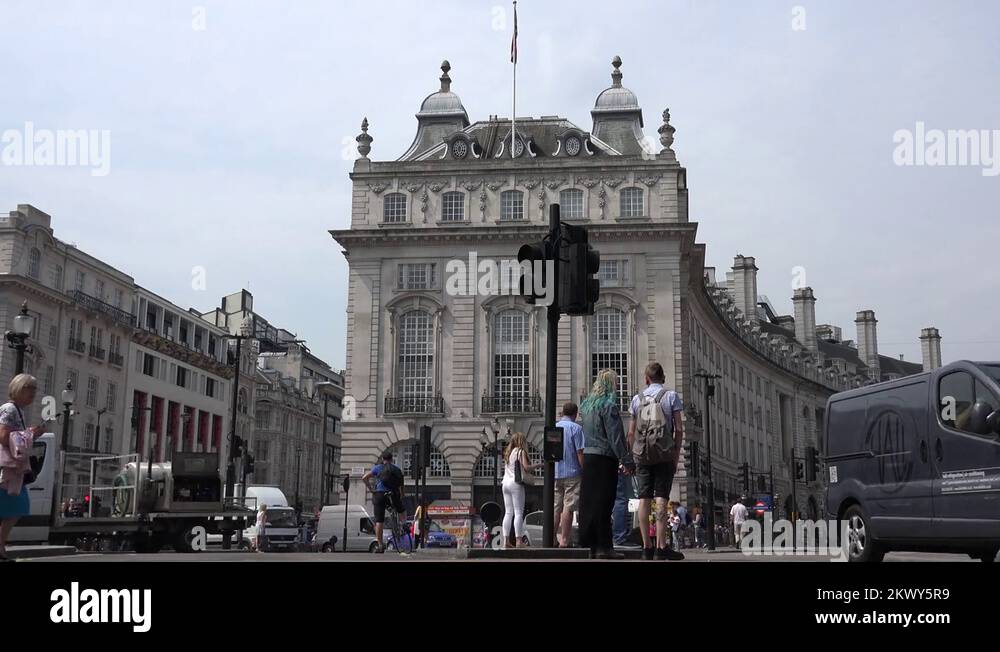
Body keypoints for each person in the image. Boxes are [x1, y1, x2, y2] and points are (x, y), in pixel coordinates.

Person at [627, 362, 685, 561]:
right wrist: (676, 453)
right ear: (663, 377)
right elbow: (678, 428)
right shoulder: (670, 396)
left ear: (646, 379)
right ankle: (661, 547)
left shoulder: (637, 399)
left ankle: (646, 547)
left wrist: (631, 455)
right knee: (661, 498)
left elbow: (631, 432)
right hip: (664, 453)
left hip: (642, 454)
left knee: (644, 499)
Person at [579, 369, 634, 560]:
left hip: (589, 458)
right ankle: (605, 547)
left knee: (591, 504)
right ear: (610, 385)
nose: (618, 386)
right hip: (604, 459)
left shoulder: (586, 406)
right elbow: (615, 437)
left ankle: (592, 546)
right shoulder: (609, 406)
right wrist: (627, 460)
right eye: (616, 383)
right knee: (605, 503)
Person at [0, 374, 42, 561]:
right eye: (29, 388)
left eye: (34, 389)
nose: (33, 393)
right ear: (18, 389)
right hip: (6, 467)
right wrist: (29, 434)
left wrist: (32, 435)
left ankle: (1, 545)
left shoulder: (19, 411)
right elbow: (3, 436)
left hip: (12, 468)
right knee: (18, 506)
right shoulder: (10, 409)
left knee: (17, 507)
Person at [500, 432, 541, 548]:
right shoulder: (520, 451)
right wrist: (538, 465)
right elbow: (526, 468)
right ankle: (518, 541)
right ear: (521, 441)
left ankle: (506, 541)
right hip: (515, 484)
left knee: (508, 513)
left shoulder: (508, 453)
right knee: (518, 512)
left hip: (505, 484)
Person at [554, 402, 585, 548]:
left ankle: (552, 538)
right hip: (572, 473)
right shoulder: (576, 428)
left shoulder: (554, 427)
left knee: (556, 507)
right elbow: (580, 453)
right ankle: (564, 541)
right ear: (575, 413)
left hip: (556, 473)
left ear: (562, 412)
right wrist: (584, 470)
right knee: (568, 507)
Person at [363, 452, 406, 553]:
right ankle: (403, 525)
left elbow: (364, 478)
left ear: (383, 459)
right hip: (393, 494)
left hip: (380, 494)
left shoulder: (378, 468)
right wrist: (401, 496)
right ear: (392, 459)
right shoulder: (397, 469)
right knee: (401, 510)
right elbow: (401, 487)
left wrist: (371, 489)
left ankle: (380, 545)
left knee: (379, 521)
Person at [612, 469, 637, 547]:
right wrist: (627, 464)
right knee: (621, 499)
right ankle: (619, 537)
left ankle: (617, 537)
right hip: (620, 467)